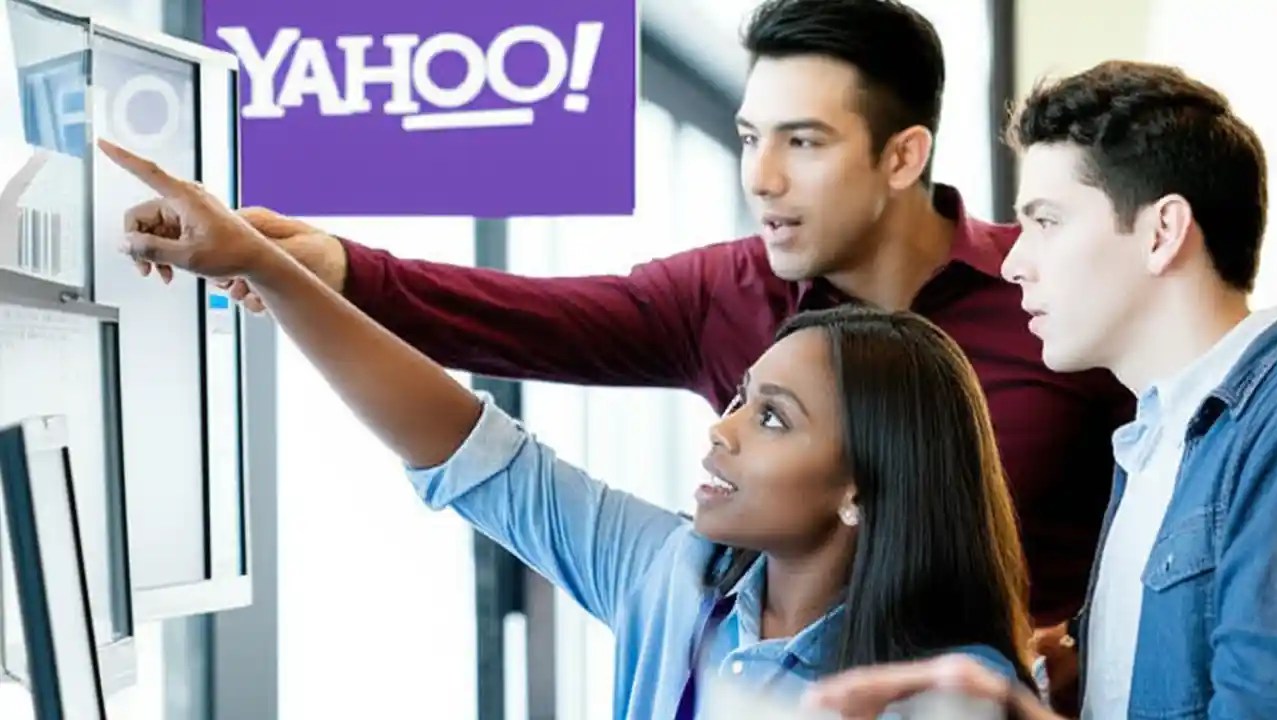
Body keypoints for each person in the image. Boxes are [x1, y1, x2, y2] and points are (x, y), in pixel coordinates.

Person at [135, 0, 1133, 631]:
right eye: (749, 138)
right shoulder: (720, 302)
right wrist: (330, 271)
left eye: (802, 141)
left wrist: (1099, 657)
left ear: (902, 157)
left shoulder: (1055, 287)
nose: (762, 178)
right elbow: (518, 322)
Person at [99, 137, 1041, 720]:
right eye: (739, 396)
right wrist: (264, 265)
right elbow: (465, 445)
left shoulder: (948, 692)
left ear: (861, 488)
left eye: (772, 417)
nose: (722, 432)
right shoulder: (676, 578)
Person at [803, 59, 1277, 720]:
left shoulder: (1267, 427)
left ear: (1162, 232)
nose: (1013, 262)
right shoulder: (1150, 445)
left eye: (1047, 222)